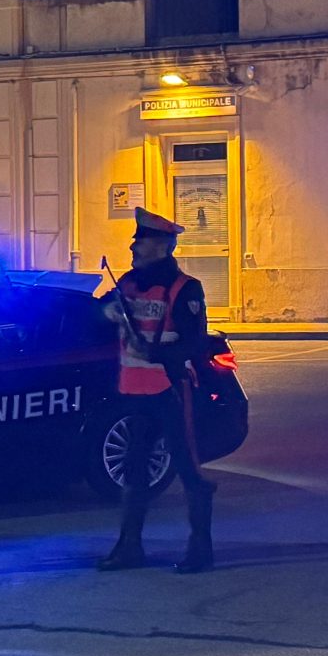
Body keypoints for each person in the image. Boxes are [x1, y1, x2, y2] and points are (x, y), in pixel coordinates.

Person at [97, 207, 219, 574]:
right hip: (134, 393)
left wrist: (159, 353)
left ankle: (201, 550)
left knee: (188, 470)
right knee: (135, 472)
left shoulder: (185, 289)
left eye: (142, 242)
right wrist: (107, 313)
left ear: (163, 247)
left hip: (170, 390)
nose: (134, 247)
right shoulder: (128, 285)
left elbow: (195, 343)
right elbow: (98, 312)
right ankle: (129, 547)